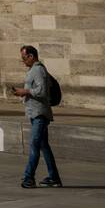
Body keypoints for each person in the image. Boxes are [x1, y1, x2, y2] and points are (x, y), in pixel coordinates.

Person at [11, 44, 62, 188]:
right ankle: (54, 178)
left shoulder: (38, 70)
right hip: (35, 113)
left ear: (31, 56)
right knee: (44, 146)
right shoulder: (33, 70)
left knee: (34, 145)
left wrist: (25, 91)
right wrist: (23, 92)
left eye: (24, 57)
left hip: (40, 114)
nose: (23, 61)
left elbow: (42, 91)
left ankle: (29, 178)